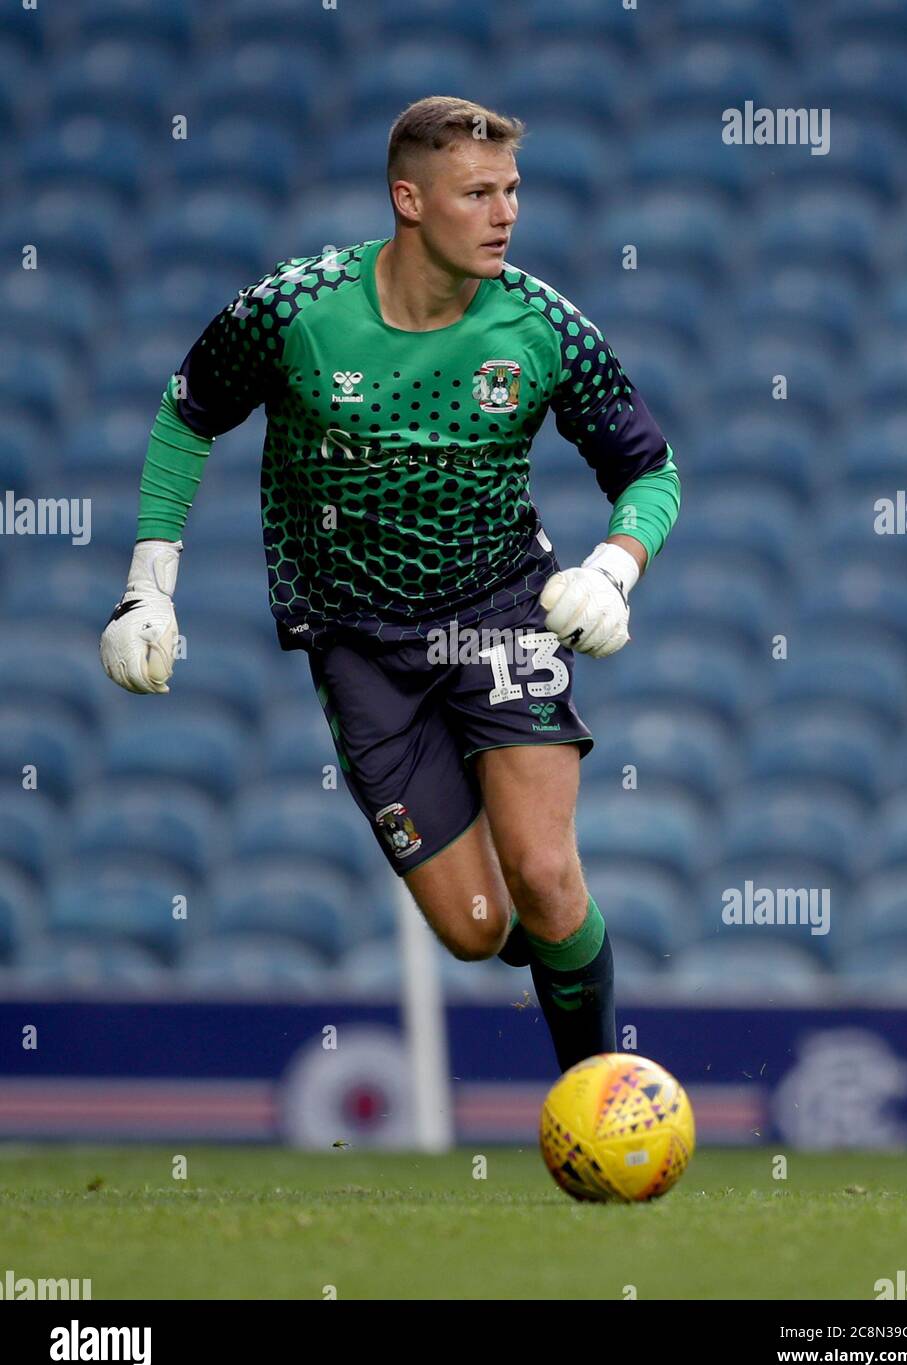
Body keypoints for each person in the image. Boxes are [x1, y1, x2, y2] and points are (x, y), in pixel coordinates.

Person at [100, 96, 680, 1072]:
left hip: (499, 613)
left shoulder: (539, 326)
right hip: (357, 638)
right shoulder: (294, 311)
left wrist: (612, 568)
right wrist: (147, 586)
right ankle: (559, 956)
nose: (503, 214)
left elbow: (648, 471)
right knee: (477, 927)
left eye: (510, 192)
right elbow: (188, 410)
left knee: (543, 872)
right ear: (408, 200)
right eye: (476, 193)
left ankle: (602, 1091)